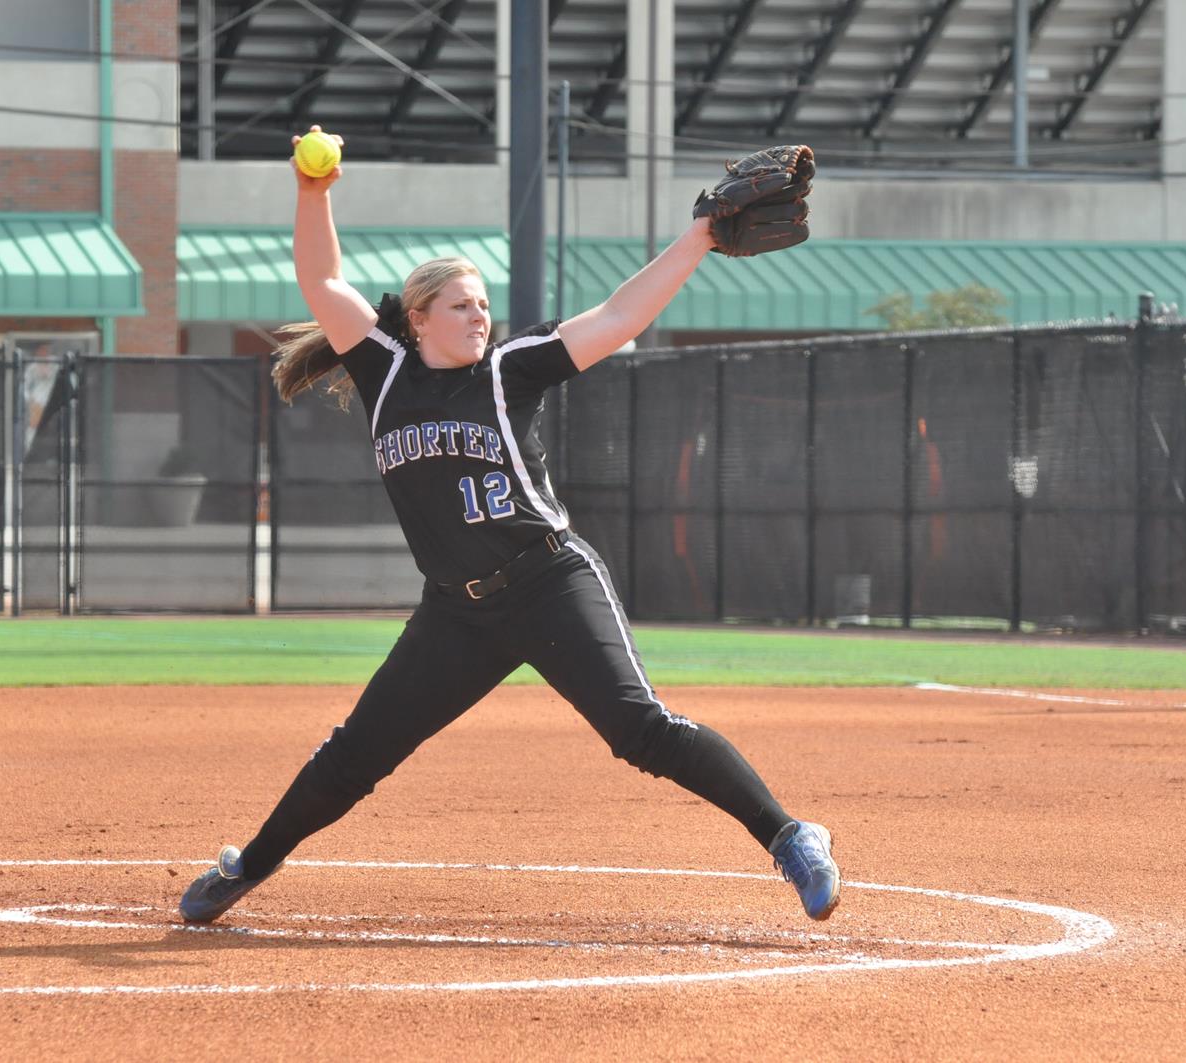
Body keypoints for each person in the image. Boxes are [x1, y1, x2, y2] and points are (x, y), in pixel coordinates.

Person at [180, 129, 839, 924]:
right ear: (419, 318)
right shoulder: (384, 370)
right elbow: (321, 279)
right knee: (357, 751)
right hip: (456, 612)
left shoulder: (509, 369)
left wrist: (698, 236)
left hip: (549, 580)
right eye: (461, 305)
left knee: (640, 730)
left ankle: (791, 836)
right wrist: (312, 191)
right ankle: (247, 866)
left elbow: (619, 314)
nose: (479, 316)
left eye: (484, 304)